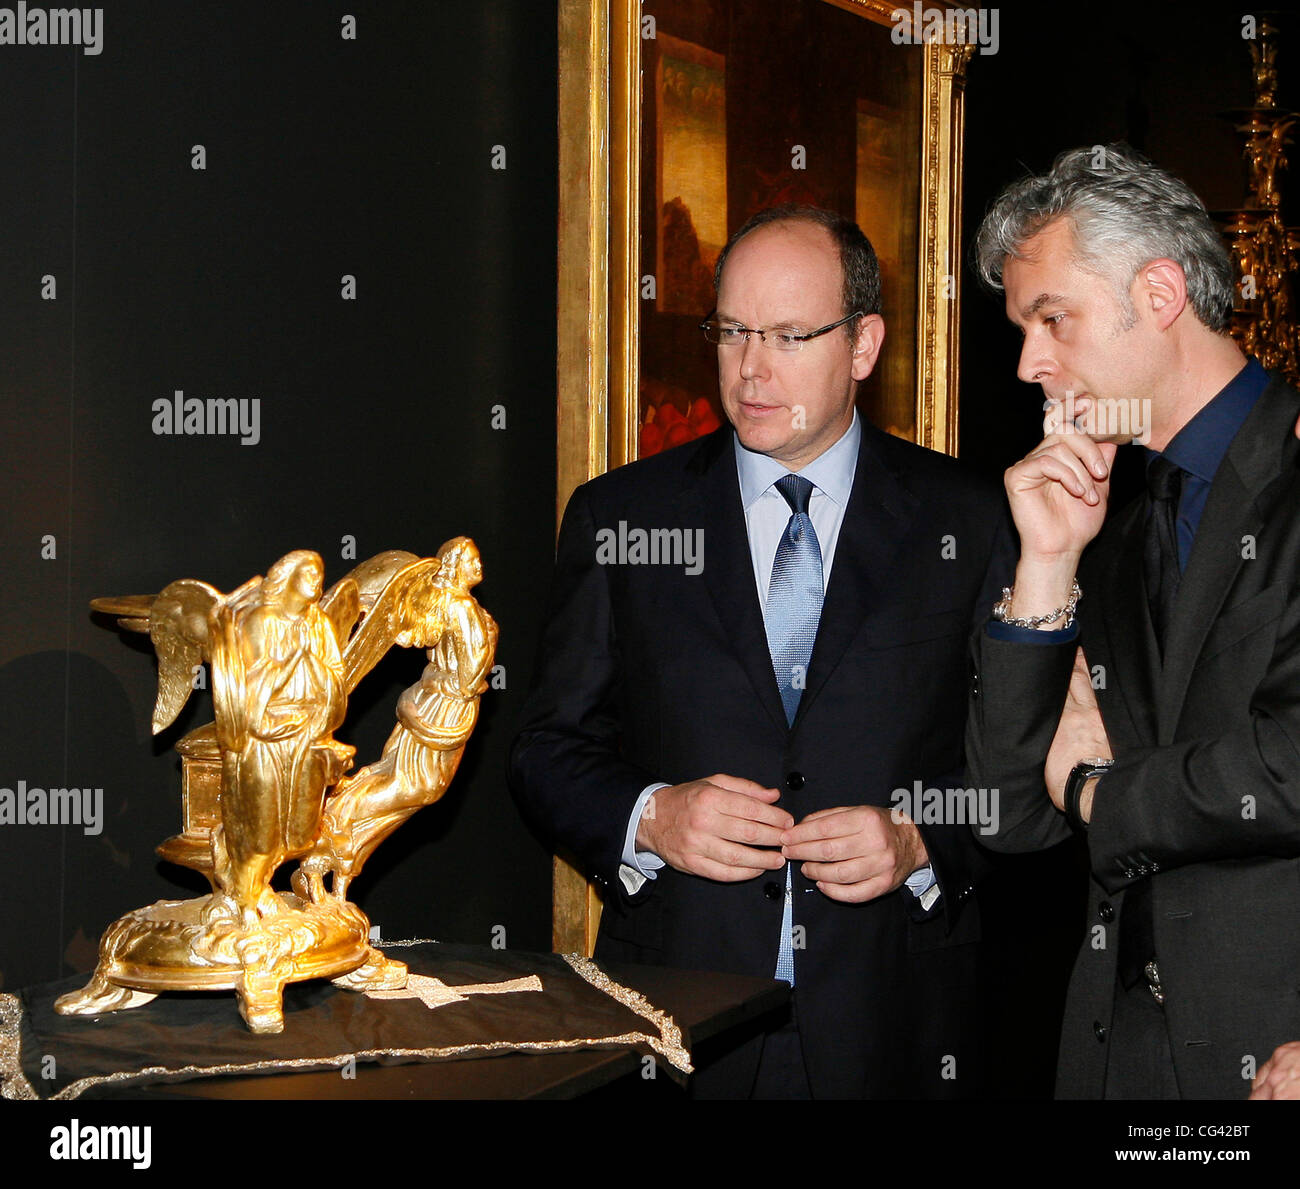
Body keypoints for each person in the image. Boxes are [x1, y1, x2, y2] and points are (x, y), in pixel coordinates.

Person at [511, 205, 1014, 1098]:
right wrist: (652, 815)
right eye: (733, 331)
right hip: (679, 1015)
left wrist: (917, 839)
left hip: (897, 1022)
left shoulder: (969, 521)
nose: (750, 369)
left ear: (864, 346)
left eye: (788, 335)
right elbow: (545, 750)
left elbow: (1022, 776)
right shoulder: (623, 516)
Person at [966, 143, 1300, 1098]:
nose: (1030, 363)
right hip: (1122, 1060)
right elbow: (1006, 814)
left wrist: (1102, 794)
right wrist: (1046, 563)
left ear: (1159, 294)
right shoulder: (1109, 521)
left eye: (1052, 319)